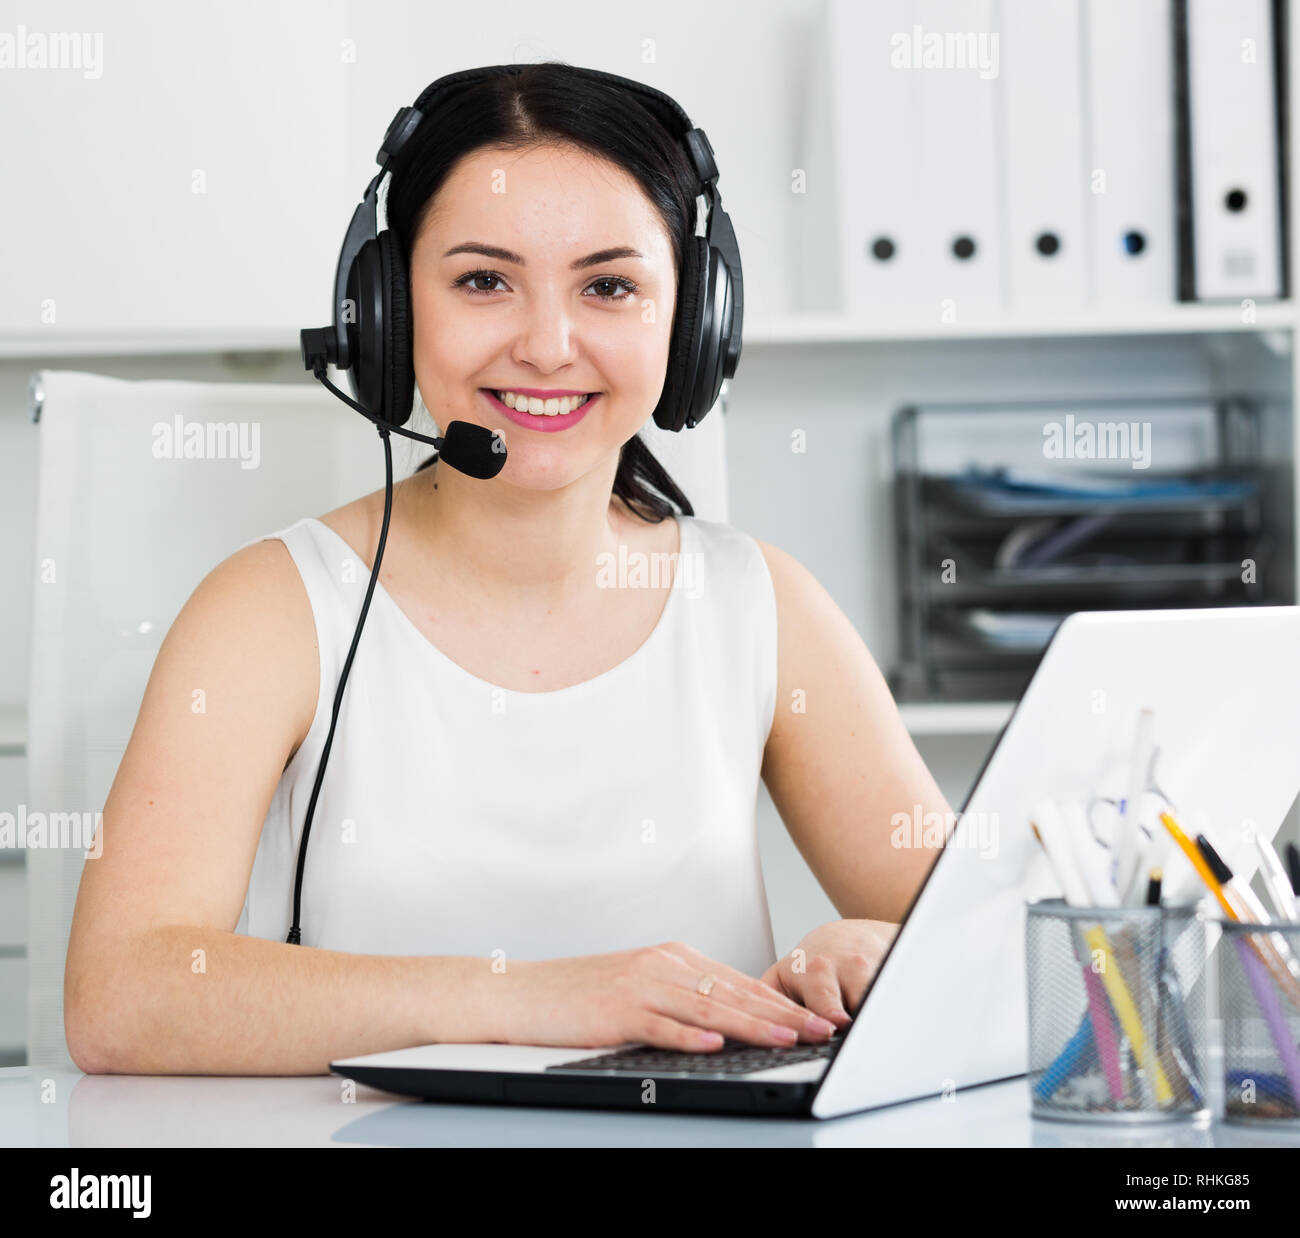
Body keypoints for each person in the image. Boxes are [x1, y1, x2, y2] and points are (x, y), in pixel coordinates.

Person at [64, 62, 952, 1075]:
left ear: (695, 321)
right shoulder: (272, 608)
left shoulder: (759, 605)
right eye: (484, 279)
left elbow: (999, 934)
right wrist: (538, 997)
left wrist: (881, 946)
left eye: (609, 285)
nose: (546, 344)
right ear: (388, 311)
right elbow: (121, 995)